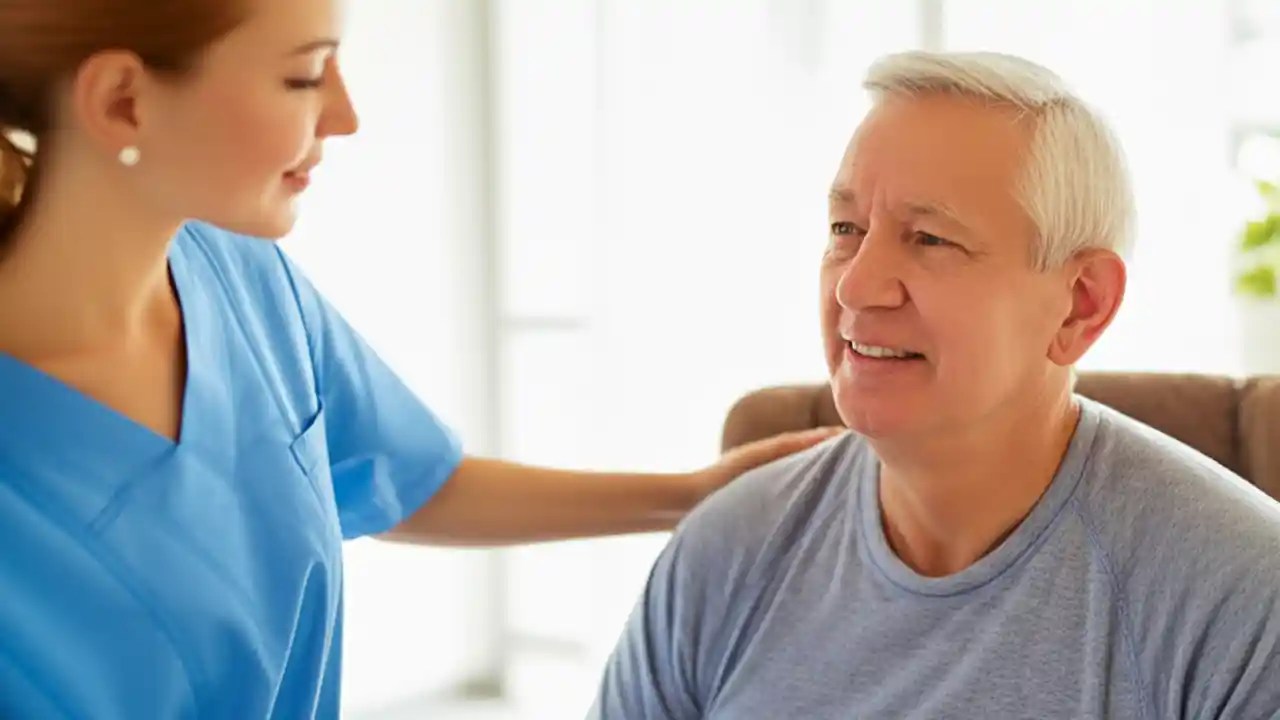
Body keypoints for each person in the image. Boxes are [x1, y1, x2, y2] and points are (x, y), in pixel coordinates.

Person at [0, 1, 841, 717]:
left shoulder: (235, 275)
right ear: (123, 102)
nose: (346, 115)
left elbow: (403, 474)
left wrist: (691, 497)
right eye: (304, 75)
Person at [589, 50, 1280, 719]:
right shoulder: (726, 549)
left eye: (929, 239)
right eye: (845, 228)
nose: (857, 284)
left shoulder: (1244, 602)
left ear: (1080, 304)